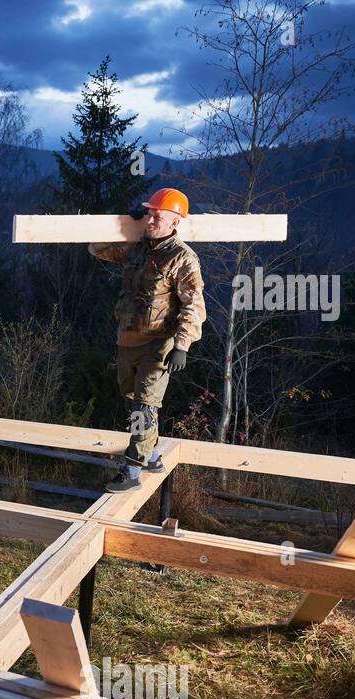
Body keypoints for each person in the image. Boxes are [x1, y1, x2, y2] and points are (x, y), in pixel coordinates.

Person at [88, 187, 206, 493]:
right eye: (149, 214)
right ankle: (152, 455)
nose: (151, 221)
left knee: (145, 406)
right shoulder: (137, 249)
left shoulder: (183, 258)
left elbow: (194, 305)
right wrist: (126, 221)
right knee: (131, 397)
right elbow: (97, 249)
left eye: (158, 216)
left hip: (159, 343)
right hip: (127, 339)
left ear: (175, 223)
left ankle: (132, 470)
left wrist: (182, 345)